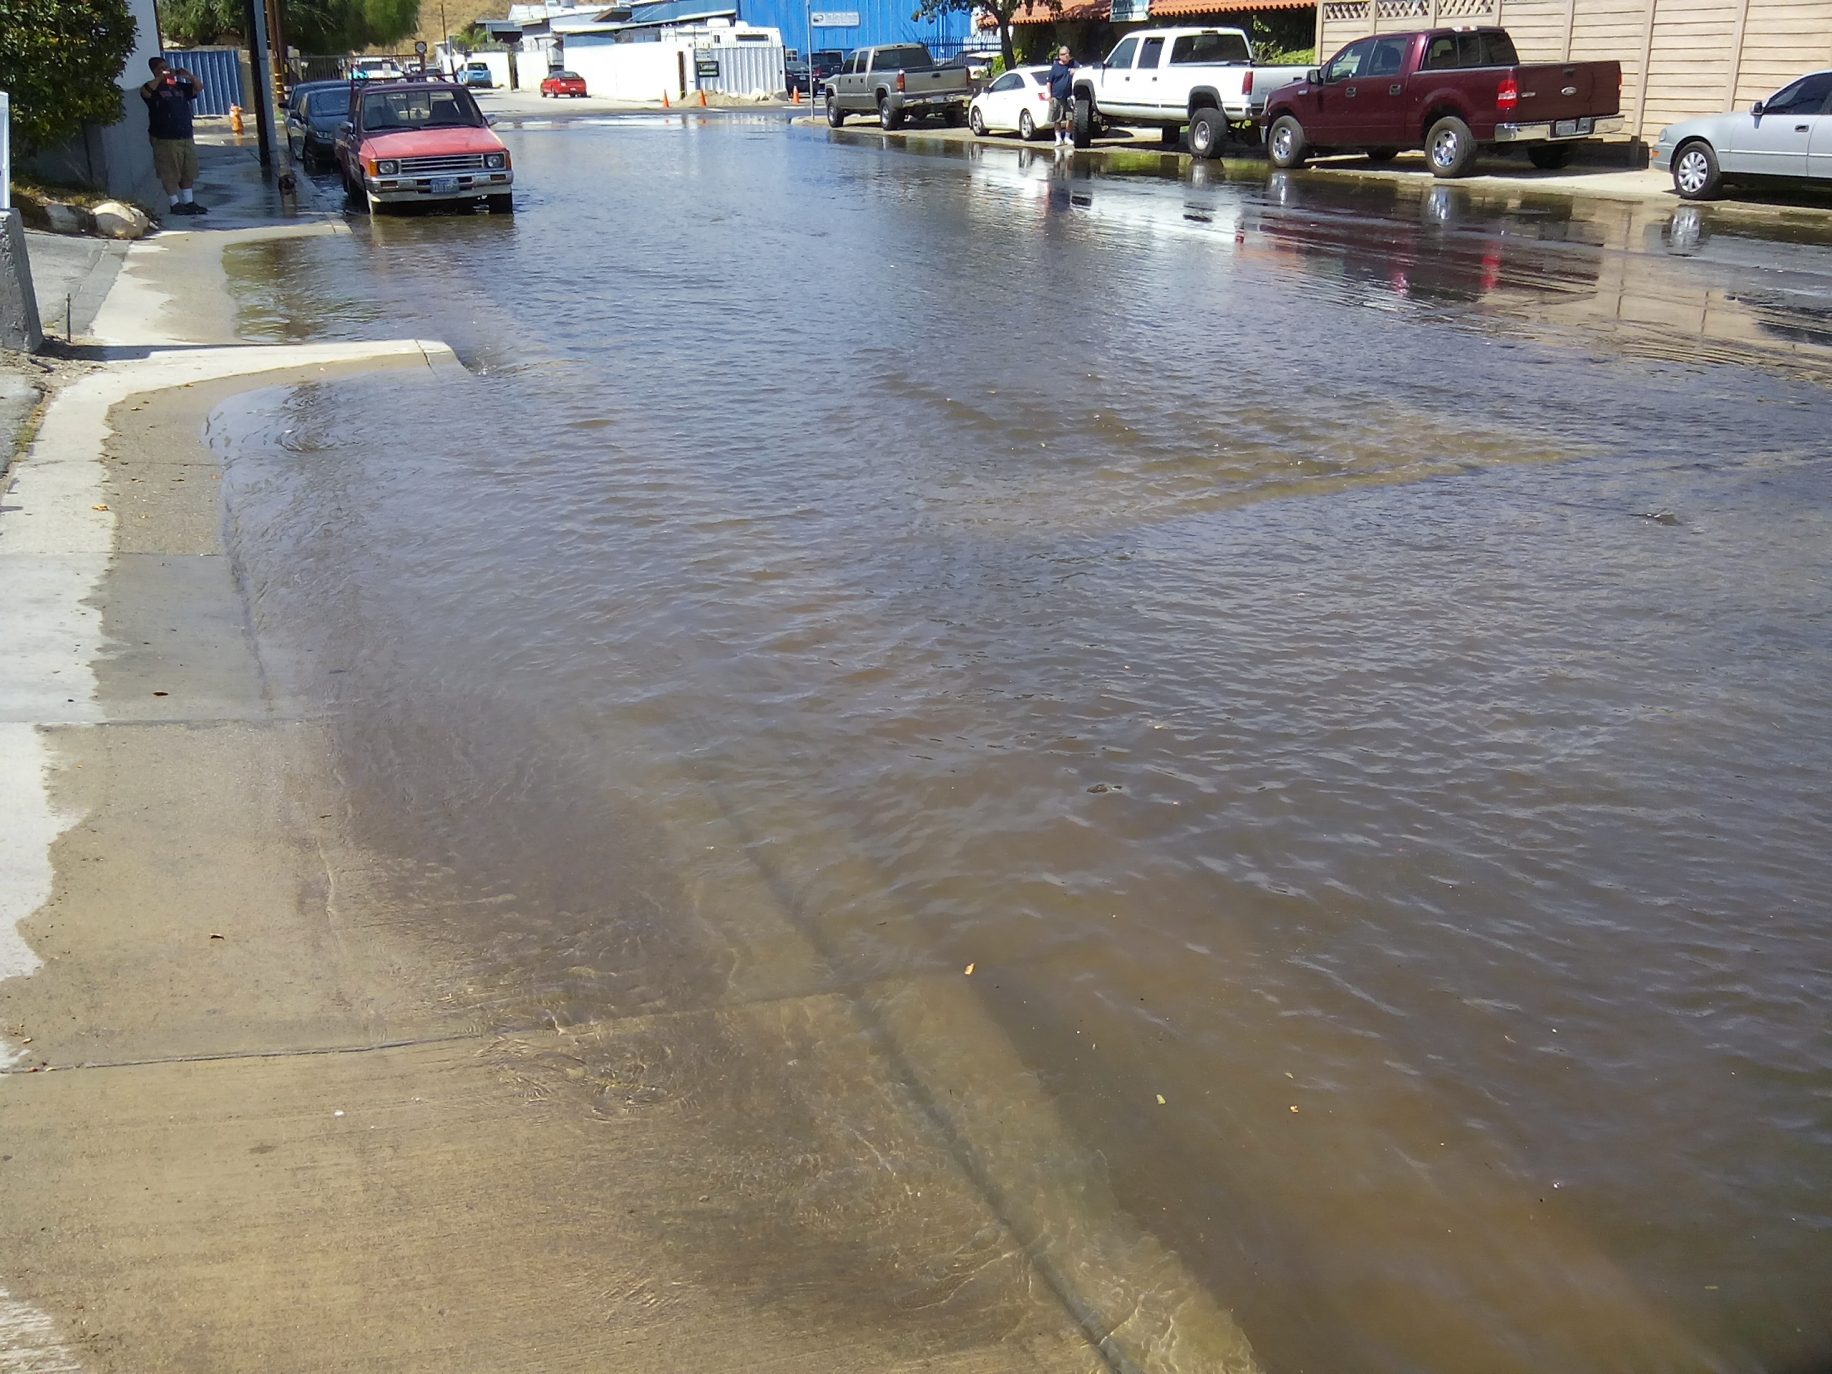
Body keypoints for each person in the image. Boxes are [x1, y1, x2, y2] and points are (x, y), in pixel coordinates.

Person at [141, 57, 208, 217]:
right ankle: (174, 203)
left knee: (188, 170)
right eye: (161, 68)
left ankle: (188, 201)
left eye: (167, 66)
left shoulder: (178, 87)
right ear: (155, 70)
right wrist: (160, 78)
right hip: (165, 137)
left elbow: (198, 88)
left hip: (185, 135)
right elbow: (145, 93)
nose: (166, 70)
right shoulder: (153, 88)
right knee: (169, 172)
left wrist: (189, 76)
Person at [1047, 46, 1077, 148]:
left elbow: (1082, 69)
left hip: (1068, 97)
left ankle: (1067, 137)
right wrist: (1049, 95)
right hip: (1056, 97)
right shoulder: (1055, 67)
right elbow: (1049, 82)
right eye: (1064, 54)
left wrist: (1075, 71)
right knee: (1057, 119)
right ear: (1060, 56)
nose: (1067, 55)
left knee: (1070, 117)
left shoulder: (1073, 63)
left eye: (1068, 53)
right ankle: (1058, 138)